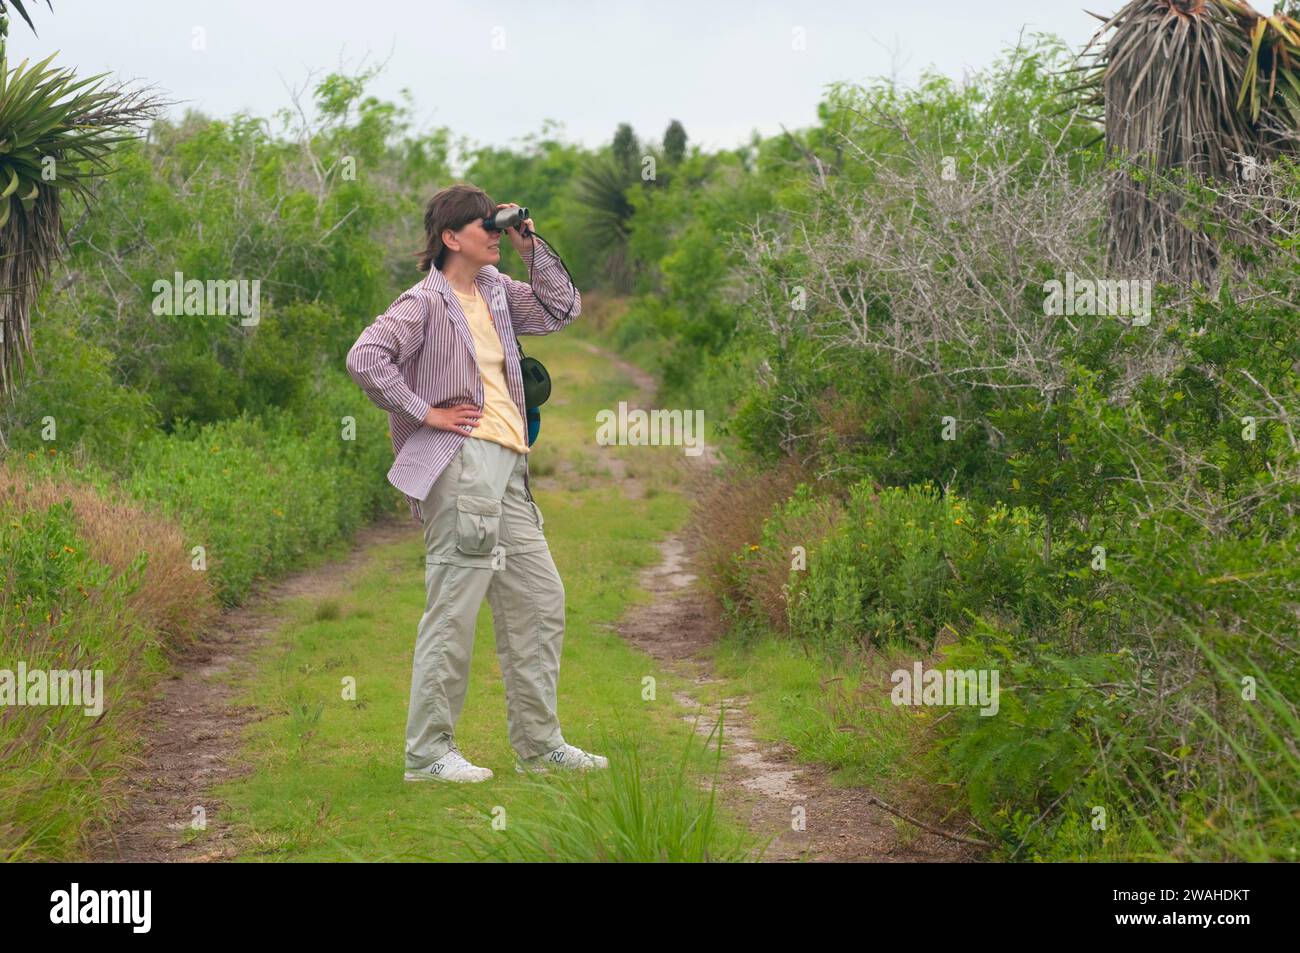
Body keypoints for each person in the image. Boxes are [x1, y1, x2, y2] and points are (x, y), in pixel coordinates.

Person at [346, 183, 607, 782]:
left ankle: (541, 748)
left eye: (497, 224)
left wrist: (530, 246)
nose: (493, 233)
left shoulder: (492, 289)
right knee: (454, 610)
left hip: (509, 466)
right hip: (462, 465)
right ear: (448, 238)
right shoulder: (425, 303)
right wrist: (423, 410)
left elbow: (562, 311)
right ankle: (428, 755)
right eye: (482, 226)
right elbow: (366, 357)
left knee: (540, 600)